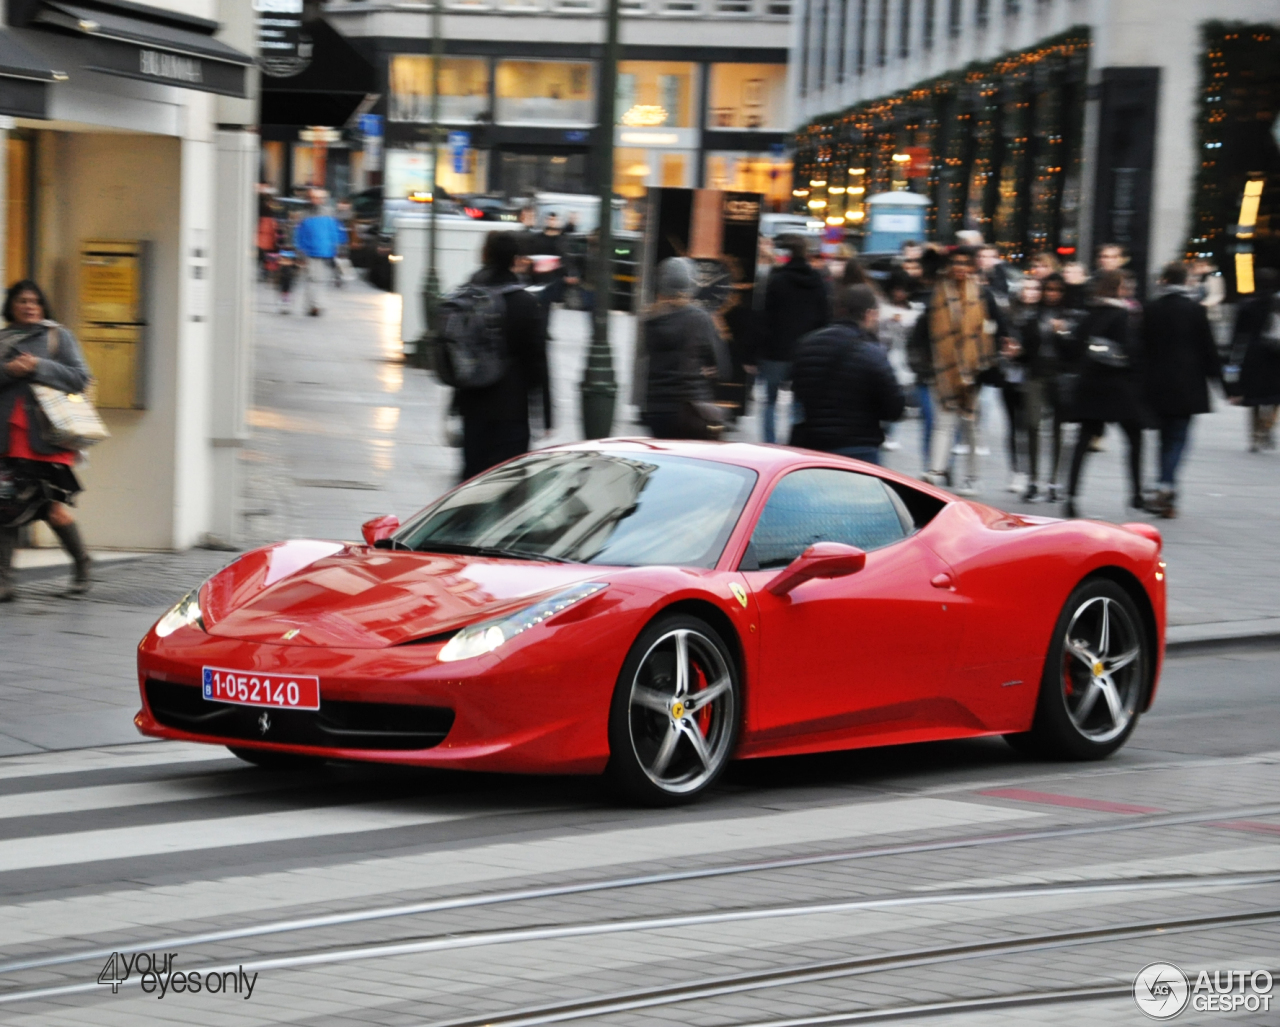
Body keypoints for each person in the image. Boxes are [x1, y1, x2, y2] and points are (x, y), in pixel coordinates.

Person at [0, 280, 93, 600]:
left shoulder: (57, 336)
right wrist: (10, 370)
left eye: (35, 301)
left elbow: (80, 377)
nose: (28, 306)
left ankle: (82, 565)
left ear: (43, 306)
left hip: (47, 439)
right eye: (22, 300)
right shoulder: (3, 340)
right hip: (8, 439)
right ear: (11, 305)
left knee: (54, 511)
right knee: (6, 509)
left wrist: (38, 366)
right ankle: (4, 582)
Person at [456, 232, 551, 480]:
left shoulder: (468, 295)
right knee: (507, 484)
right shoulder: (526, 303)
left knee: (472, 480)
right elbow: (538, 359)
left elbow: (459, 346)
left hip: (473, 403)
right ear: (515, 260)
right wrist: (545, 412)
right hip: (511, 407)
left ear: (484, 255)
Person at [908, 246, 1001, 495]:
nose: (960, 267)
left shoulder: (983, 295)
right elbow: (923, 332)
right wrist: (923, 363)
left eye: (965, 263)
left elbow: (1000, 327)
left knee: (970, 425)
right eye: (956, 262)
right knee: (943, 421)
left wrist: (992, 359)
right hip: (943, 369)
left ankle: (972, 477)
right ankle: (936, 471)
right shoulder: (937, 294)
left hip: (974, 370)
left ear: (973, 266)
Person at [1062, 269, 1145, 519]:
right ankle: (1136, 493)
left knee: (1082, 441)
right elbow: (1130, 351)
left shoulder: (1090, 313)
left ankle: (1071, 496)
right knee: (1134, 437)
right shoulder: (1122, 315)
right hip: (1117, 387)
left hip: (1089, 386)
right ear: (1118, 288)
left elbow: (1074, 348)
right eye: (1125, 284)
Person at [1140, 262, 1221, 518]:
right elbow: (1209, 350)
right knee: (1179, 437)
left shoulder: (1151, 309)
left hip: (1156, 384)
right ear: (1186, 281)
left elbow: (1140, 348)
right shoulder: (1195, 310)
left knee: (1162, 438)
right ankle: (1167, 483)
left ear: (1164, 280)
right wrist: (1224, 384)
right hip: (1188, 384)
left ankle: (1163, 483)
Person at [791, 284, 904, 462]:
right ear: (869, 314)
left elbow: (799, 393)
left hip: (813, 449)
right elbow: (895, 409)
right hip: (859, 449)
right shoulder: (872, 351)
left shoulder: (807, 344)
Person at [640, 257, 730, 440]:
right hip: (691, 409)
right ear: (691, 284)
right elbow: (723, 368)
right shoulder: (699, 318)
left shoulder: (650, 319)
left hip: (656, 409)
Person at [760, 236, 831, 443]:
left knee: (770, 402)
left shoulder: (777, 279)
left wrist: (757, 350)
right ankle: (795, 443)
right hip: (807, 353)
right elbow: (824, 318)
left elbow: (765, 316)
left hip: (776, 351)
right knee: (799, 402)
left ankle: (769, 443)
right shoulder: (817, 281)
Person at [1229, 267, 1280, 452]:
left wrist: (1233, 357)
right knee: (1275, 397)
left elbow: (1237, 334)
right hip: (1276, 354)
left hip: (1253, 355)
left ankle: (1254, 436)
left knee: (1254, 398)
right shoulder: (1277, 303)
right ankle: (1267, 426)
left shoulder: (1247, 304)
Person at [294, 205, 346, 316]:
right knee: (319, 281)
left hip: (313, 253)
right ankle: (315, 305)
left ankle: (313, 305)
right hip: (325, 254)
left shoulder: (307, 219)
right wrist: (338, 248)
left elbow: (299, 236)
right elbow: (339, 236)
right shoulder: (331, 220)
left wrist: (301, 251)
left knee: (313, 280)